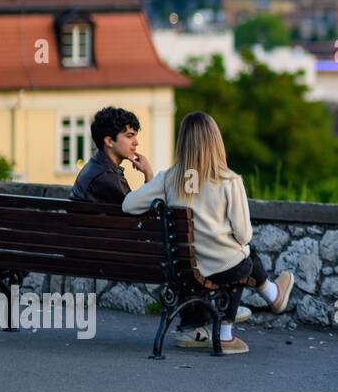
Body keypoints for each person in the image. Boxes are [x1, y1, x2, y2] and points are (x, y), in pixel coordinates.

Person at [122, 111, 293, 354]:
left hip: (183, 269)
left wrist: (150, 179)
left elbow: (128, 205)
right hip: (223, 268)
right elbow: (244, 234)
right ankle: (230, 329)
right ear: (215, 141)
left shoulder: (168, 179)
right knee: (245, 256)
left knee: (241, 257)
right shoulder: (229, 181)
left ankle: (203, 323)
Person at [71, 107, 153, 204]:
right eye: (129, 136)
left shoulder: (96, 165)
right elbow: (140, 209)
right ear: (109, 141)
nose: (136, 142)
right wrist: (148, 173)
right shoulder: (108, 177)